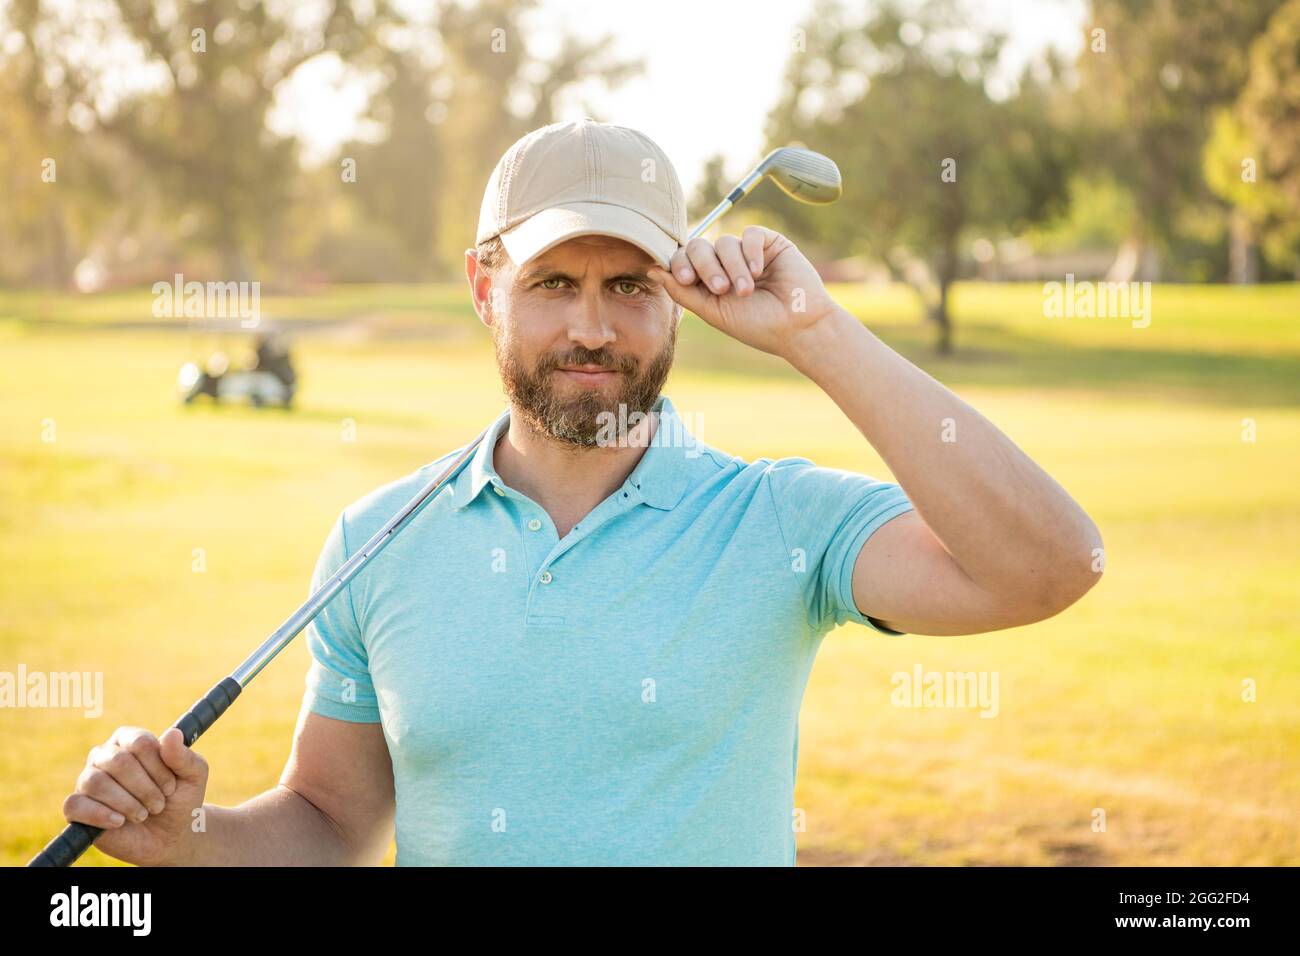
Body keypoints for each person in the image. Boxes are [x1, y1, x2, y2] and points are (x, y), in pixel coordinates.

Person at [60, 119, 1102, 866]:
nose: (593, 329)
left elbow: (1053, 566)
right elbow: (333, 823)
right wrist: (190, 836)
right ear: (483, 287)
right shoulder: (374, 538)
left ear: (683, 299)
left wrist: (817, 337)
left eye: (632, 286)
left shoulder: (783, 521)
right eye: (553, 283)